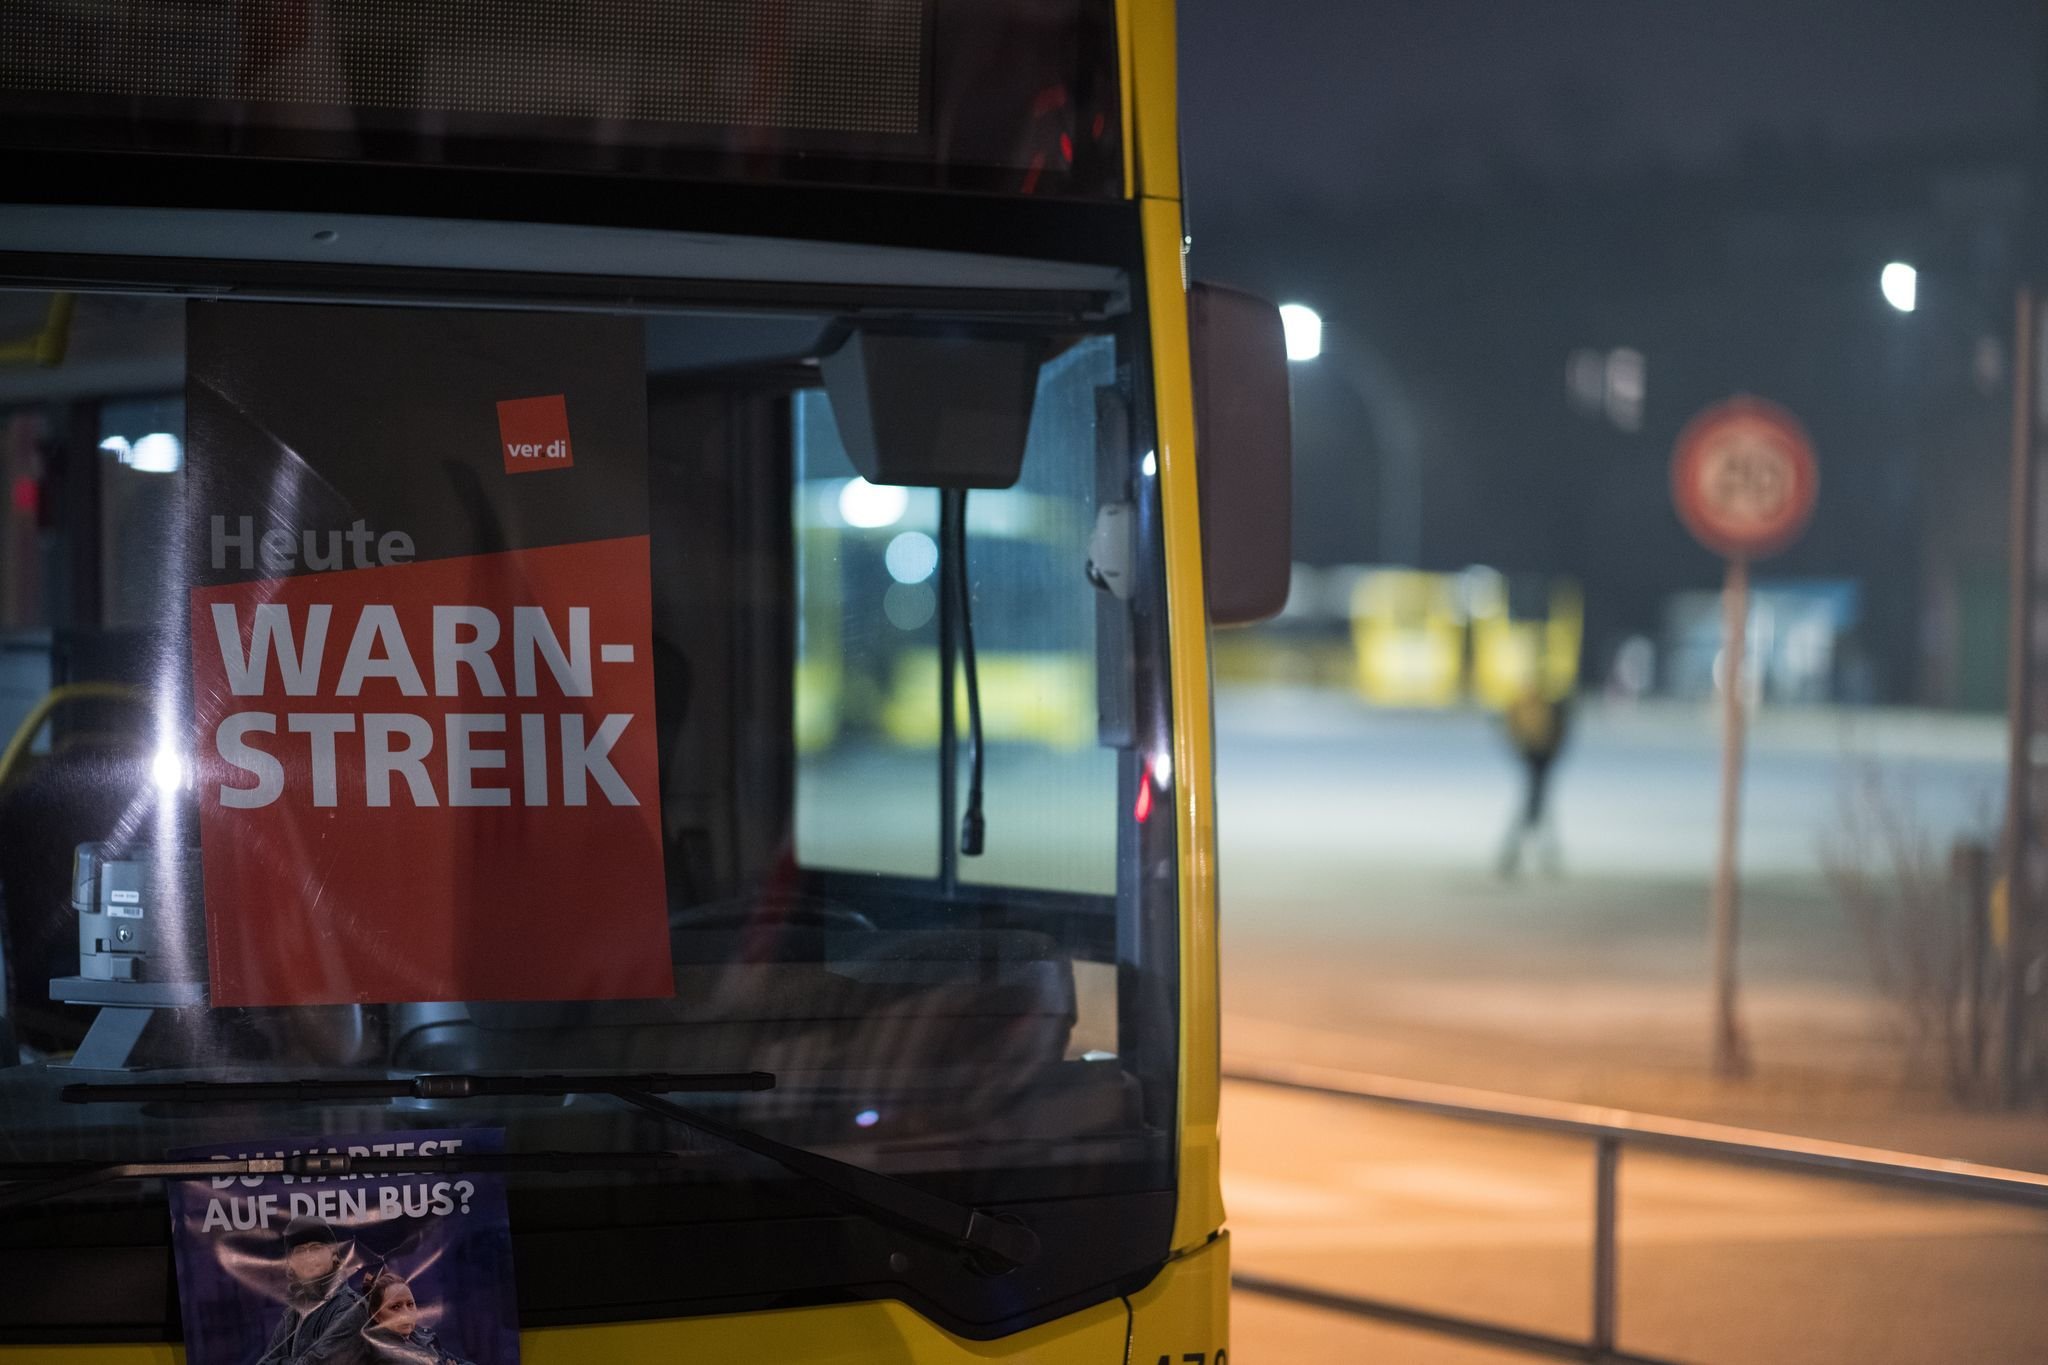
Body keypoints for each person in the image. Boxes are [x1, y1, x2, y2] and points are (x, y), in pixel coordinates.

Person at [256, 1215, 367, 1365]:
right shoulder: (291, 1314)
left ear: (334, 1256)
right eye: (300, 1250)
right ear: (290, 1263)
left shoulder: (350, 1308)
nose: (308, 1256)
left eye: (316, 1248)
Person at [1497, 685, 1570, 878]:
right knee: (1535, 807)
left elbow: (1557, 731)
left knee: (1535, 807)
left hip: (1539, 757)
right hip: (1535, 756)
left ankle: (1517, 856)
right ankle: (1525, 856)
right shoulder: (1531, 705)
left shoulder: (1542, 705)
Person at [351, 1268, 477, 1365]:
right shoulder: (381, 1353)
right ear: (376, 1315)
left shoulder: (421, 1336)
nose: (406, 1313)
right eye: (395, 1307)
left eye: (410, 1304)